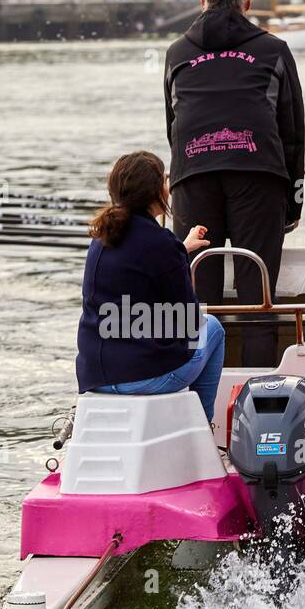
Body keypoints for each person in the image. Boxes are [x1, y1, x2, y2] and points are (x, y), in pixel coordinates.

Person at [164, 0, 305, 367]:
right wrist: (293, 205)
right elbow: (292, 131)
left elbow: (172, 126)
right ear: (247, 2)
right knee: (256, 289)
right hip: (258, 175)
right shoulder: (274, 50)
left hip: (193, 174)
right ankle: (260, 384)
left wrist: (179, 183)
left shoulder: (177, 52)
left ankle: (193, 387)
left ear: (202, 1)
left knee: (196, 293)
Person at [76, 151, 224, 425]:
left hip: (95, 375)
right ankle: (203, 433)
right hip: (143, 377)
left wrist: (180, 250)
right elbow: (188, 322)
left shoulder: (101, 238)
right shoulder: (161, 244)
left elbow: (136, 262)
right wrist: (178, 256)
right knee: (213, 327)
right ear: (156, 191)